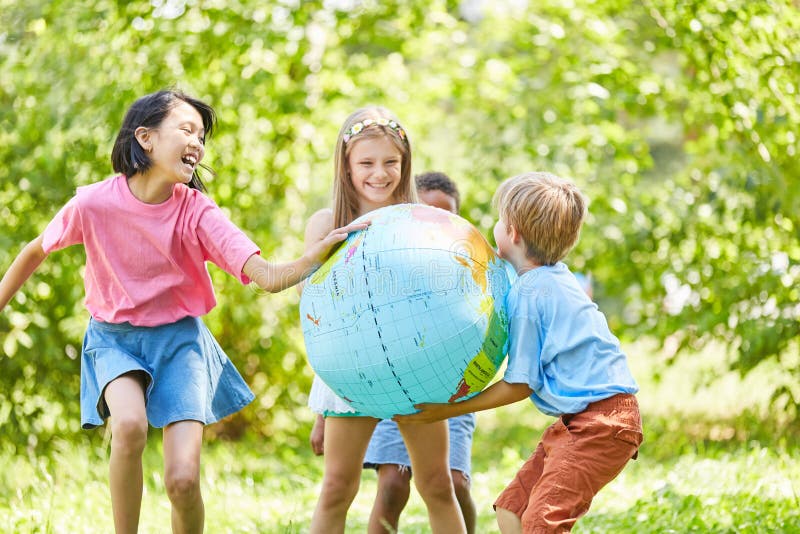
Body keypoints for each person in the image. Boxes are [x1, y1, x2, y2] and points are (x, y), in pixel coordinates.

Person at [0, 89, 366, 534]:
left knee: (183, 480)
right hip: (114, 337)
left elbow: (267, 276)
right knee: (130, 426)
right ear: (146, 138)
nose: (198, 142)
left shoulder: (197, 213)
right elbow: (34, 251)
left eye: (202, 136)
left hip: (181, 345)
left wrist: (316, 255)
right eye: (186, 130)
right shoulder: (93, 203)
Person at [396, 171, 643, 533]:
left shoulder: (531, 294)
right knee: (511, 510)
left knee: (541, 525)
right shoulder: (551, 275)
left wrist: (448, 410)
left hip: (601, 423)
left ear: (512, 232)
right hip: (581, 420)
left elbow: (520, 384)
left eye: (499, 220)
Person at [302, 107, 467, 534]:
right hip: (352, 370)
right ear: (346, 166)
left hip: (417, 369)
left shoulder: (424, 222)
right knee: (337, 486)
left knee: (436, 484)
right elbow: (311, 308)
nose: (380, 174)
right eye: (367, 163)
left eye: (391, 163)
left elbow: (448, 297)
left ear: (405, 163)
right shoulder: (327, 224)